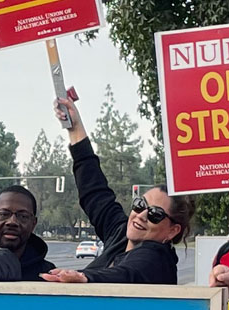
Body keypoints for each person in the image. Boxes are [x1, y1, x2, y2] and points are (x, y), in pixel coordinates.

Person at [42, 92, 183, 284]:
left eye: (155, 214)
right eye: (140, 204)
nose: (141, 215)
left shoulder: (156, 258)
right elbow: (95, 193)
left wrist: (85, 277)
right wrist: (75, 128)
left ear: (172, 231)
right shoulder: (120, 235)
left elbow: (128, 273)